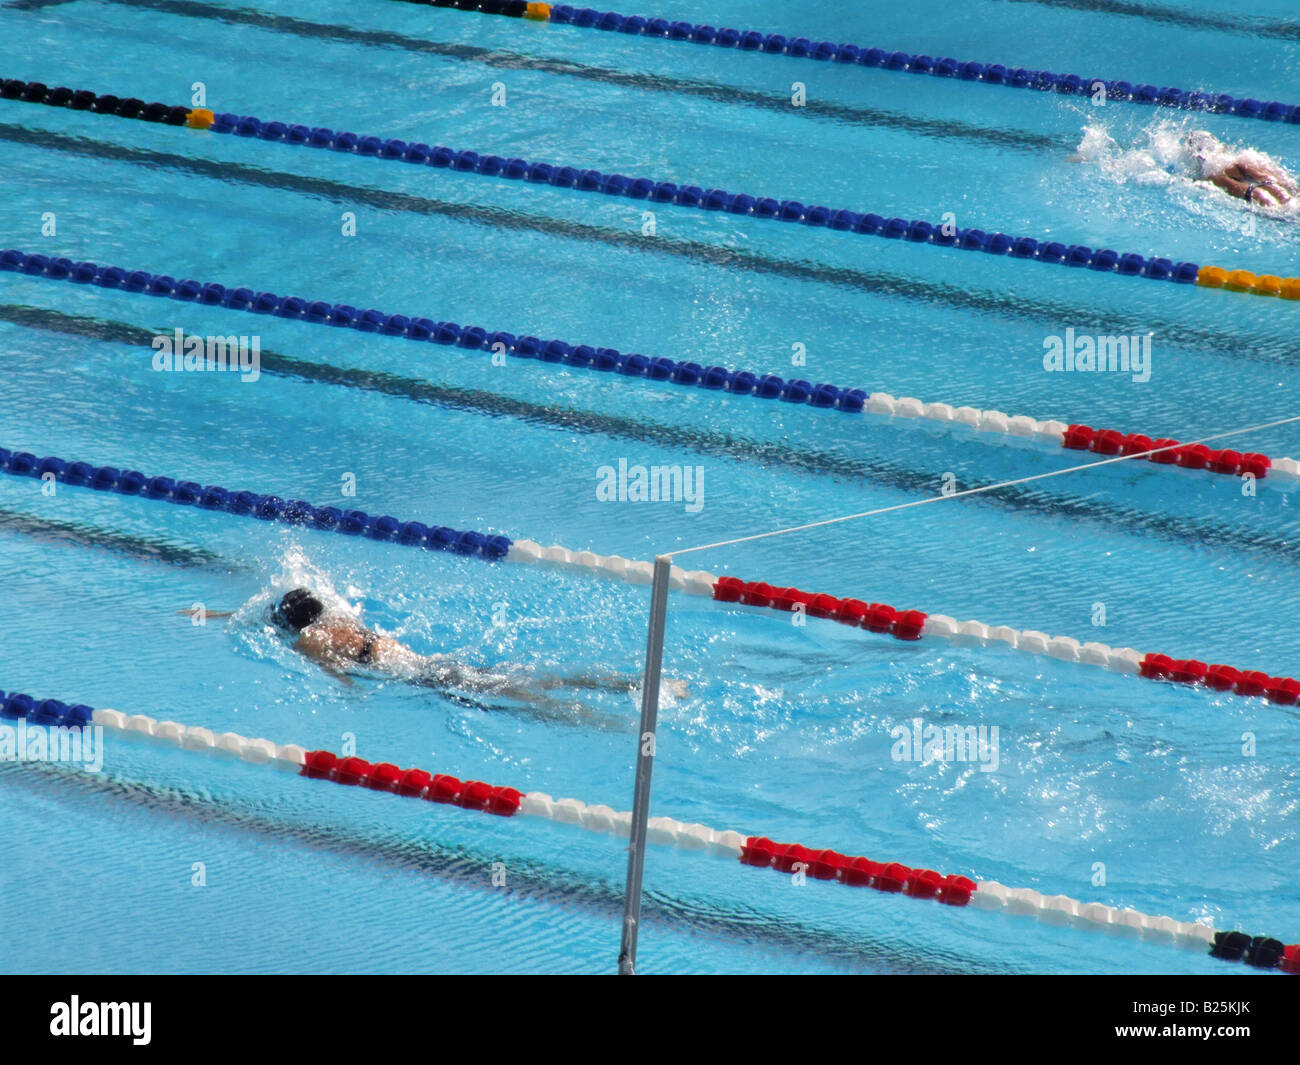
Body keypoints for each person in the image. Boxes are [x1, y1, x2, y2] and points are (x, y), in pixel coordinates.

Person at [190, 588, 685, 720]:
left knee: (526, 699)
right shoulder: (335, 617)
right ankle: (638, 684)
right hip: (429, 664)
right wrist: (210, 614)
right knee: (533, 679)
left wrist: (346, 695)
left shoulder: (312, 640)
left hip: (425, 680)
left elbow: (332, 671)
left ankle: (604, 720)